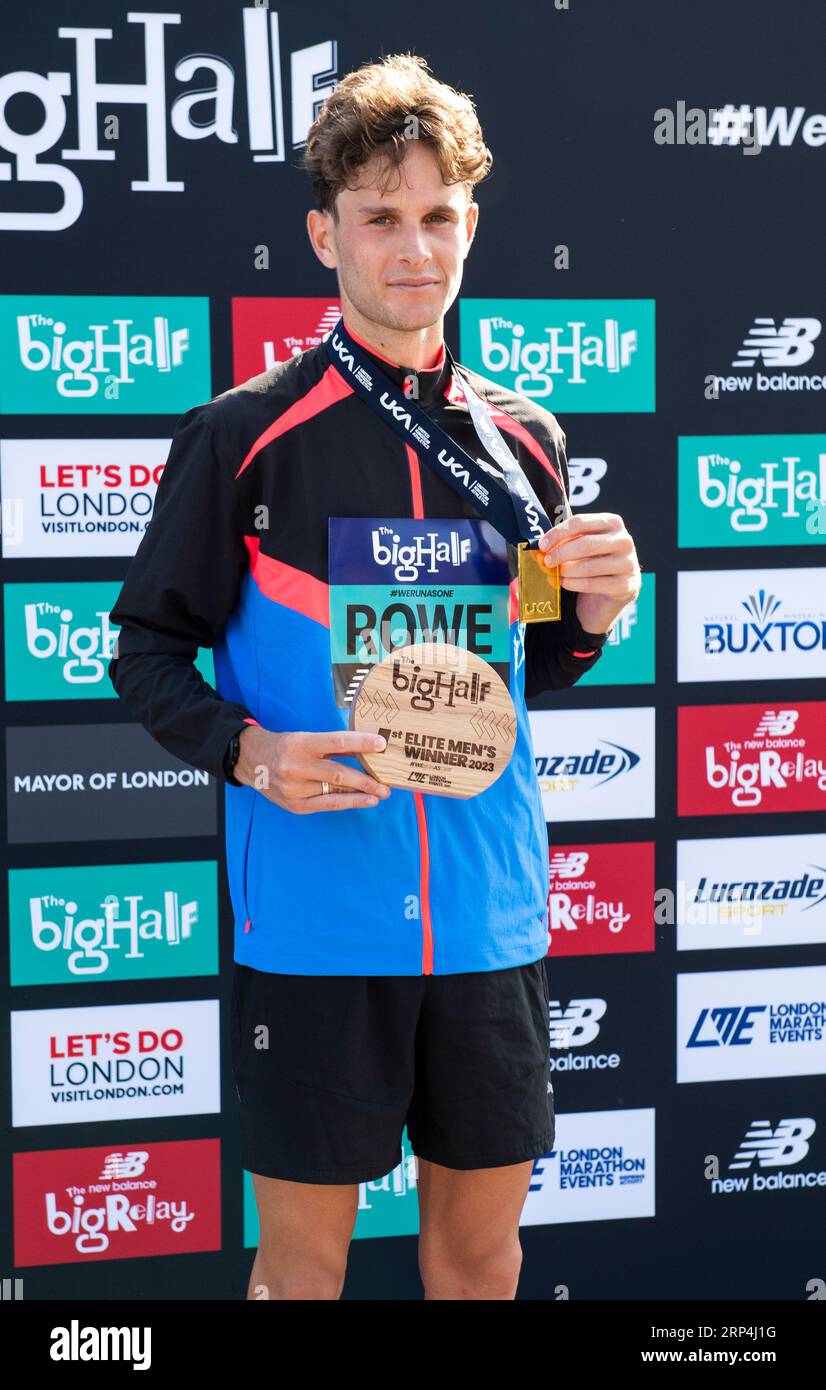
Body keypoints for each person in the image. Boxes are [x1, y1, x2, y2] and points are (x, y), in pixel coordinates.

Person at [108, 51, 641, 1301]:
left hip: (485, 920)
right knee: (304, 1270)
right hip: (312, 925)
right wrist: (254, 755)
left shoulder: (527, 442)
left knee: (477, 1258)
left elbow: (527, 671)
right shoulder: (245, 434)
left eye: (438, 215)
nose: (414, 248)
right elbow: (143, 647)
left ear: (468, 224)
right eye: (380, 218)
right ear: (323, 234)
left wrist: (595, 618)